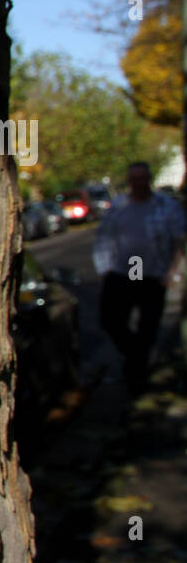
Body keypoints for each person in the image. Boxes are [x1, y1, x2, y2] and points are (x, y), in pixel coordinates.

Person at [92, 162, 186, 395]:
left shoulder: (166, 206)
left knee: (148, 327)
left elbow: (178, 241)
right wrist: (104, 268)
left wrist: (172, 272)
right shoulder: (119, 206)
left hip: (152, 274)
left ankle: (137, 376)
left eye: (142, 178)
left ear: (149, 180)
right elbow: (104, 237)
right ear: (129, 182)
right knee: (111, 320)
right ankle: (135, 356)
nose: (138, 184)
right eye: (134, 179)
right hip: (122, 273)